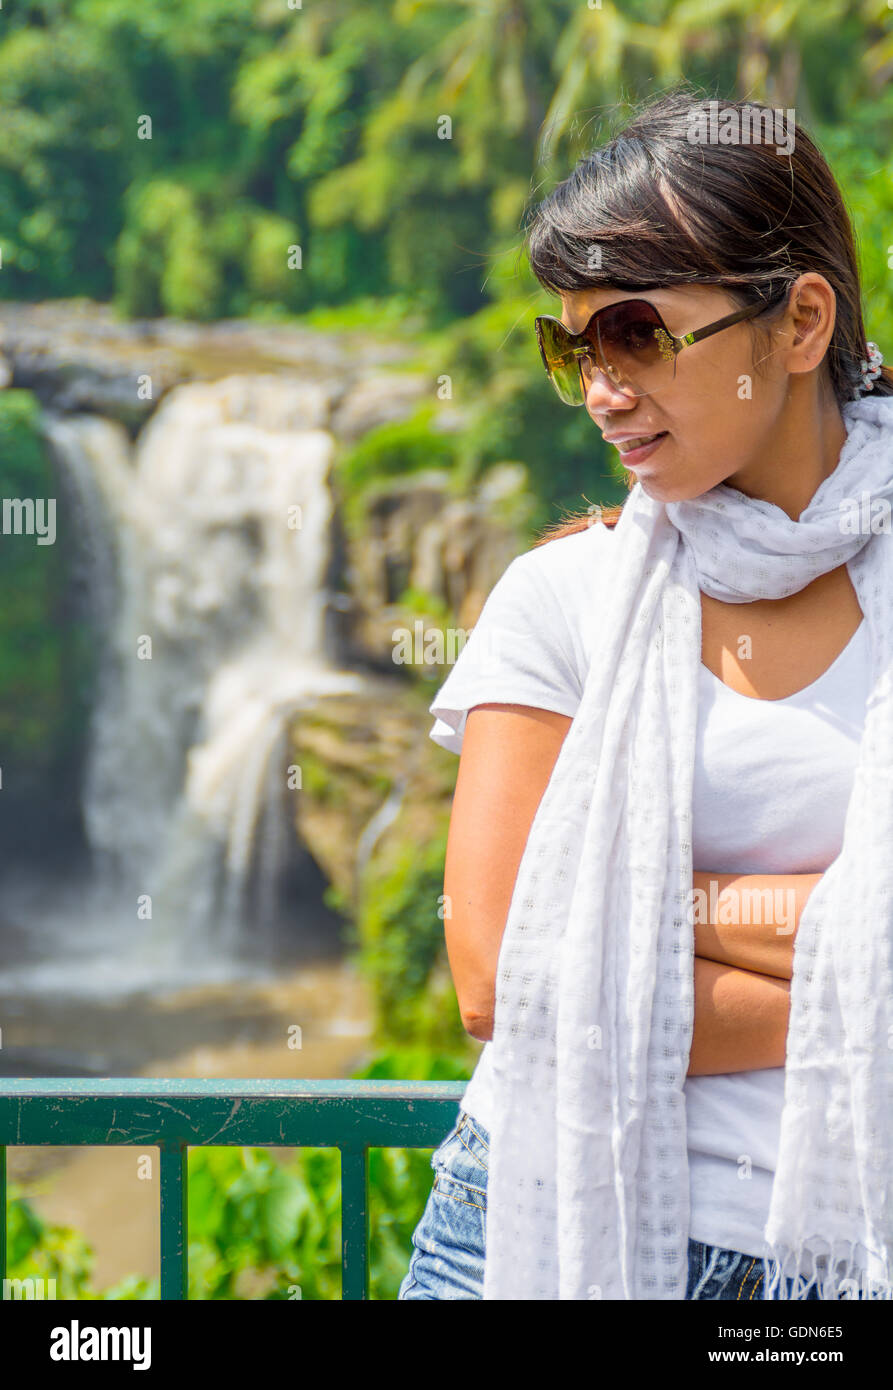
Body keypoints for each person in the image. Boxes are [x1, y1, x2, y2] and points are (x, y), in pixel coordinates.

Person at [398, 87, 893, 1300]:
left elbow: (565, 963)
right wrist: (856, 969)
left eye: (634, 333)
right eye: (569, 346)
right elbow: (495, 980)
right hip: (534, 1219)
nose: (600, 388)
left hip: (823, 1259)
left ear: (798, 321)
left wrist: (633, 925)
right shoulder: (565, 596)